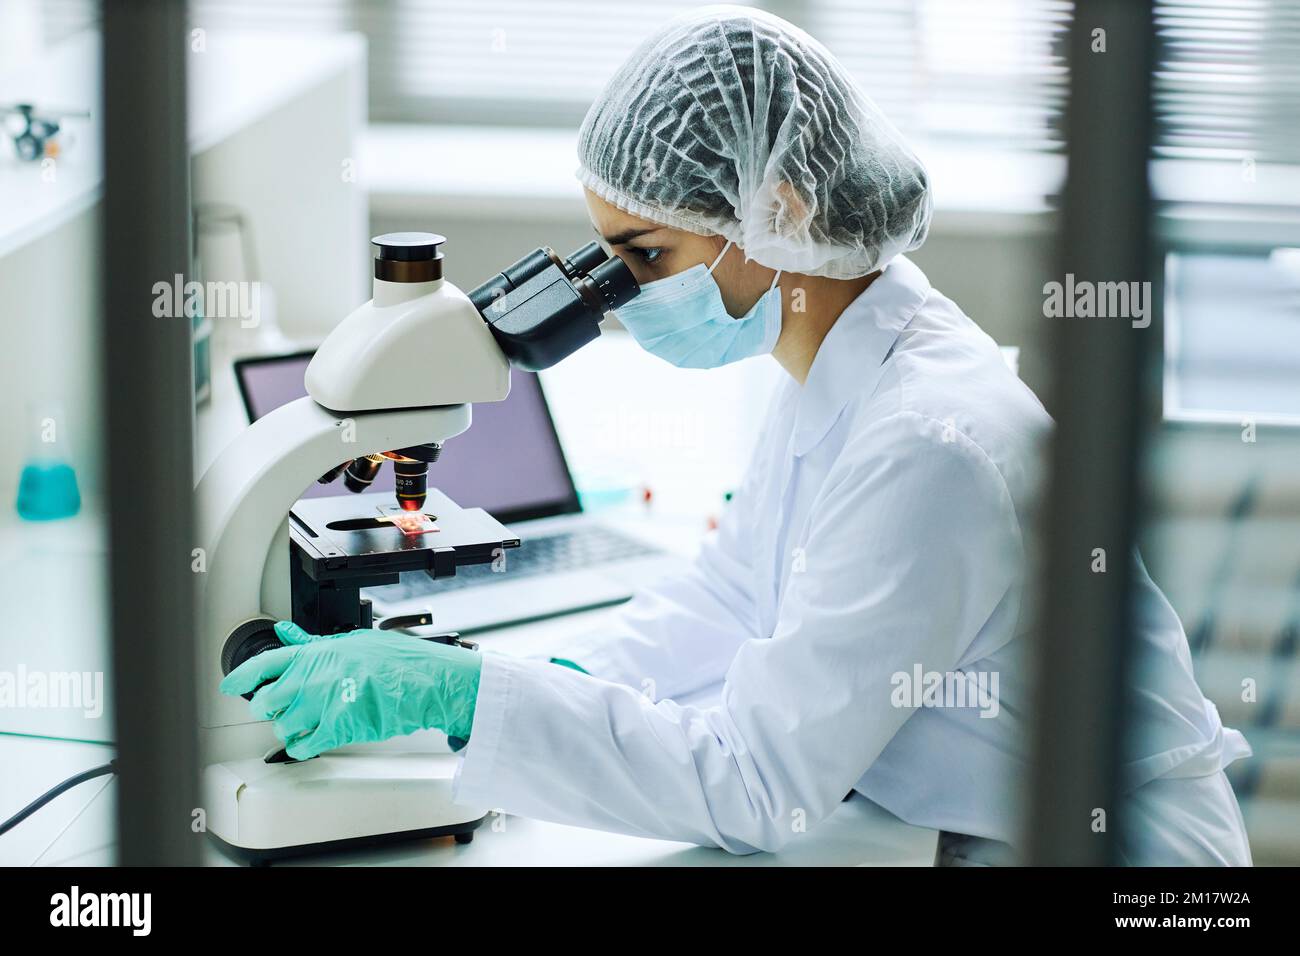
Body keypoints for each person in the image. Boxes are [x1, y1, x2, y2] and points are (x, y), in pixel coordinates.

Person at [222, 6, 1252, 865]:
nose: (620, 293)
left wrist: (471, 694)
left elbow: (763, 783)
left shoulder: (928, 442)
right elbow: (729, 596)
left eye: (644, 252)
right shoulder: (841, 363)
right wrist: (560, 677)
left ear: (779, 207)